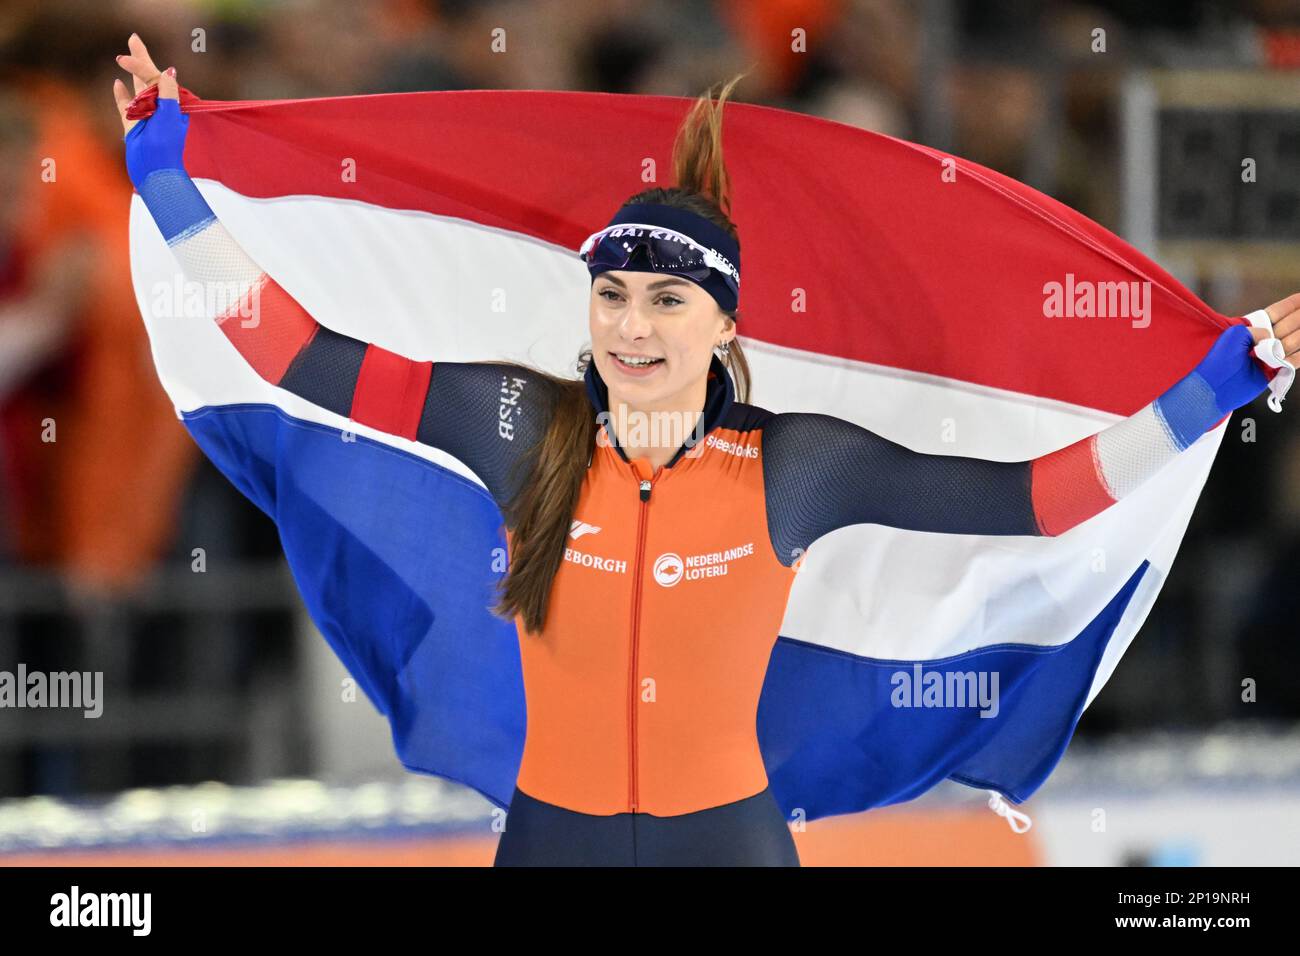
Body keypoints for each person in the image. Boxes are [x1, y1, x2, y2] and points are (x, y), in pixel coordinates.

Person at [113, 34, 1296, 866]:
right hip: (548, 845)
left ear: (725, 322)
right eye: (613, 294)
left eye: (668, 302)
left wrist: (1207, 392)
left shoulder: (799, 465)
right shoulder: (508, 421)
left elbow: (1041, 501)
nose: (632, 326)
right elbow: (290, 352)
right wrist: (168, 179)